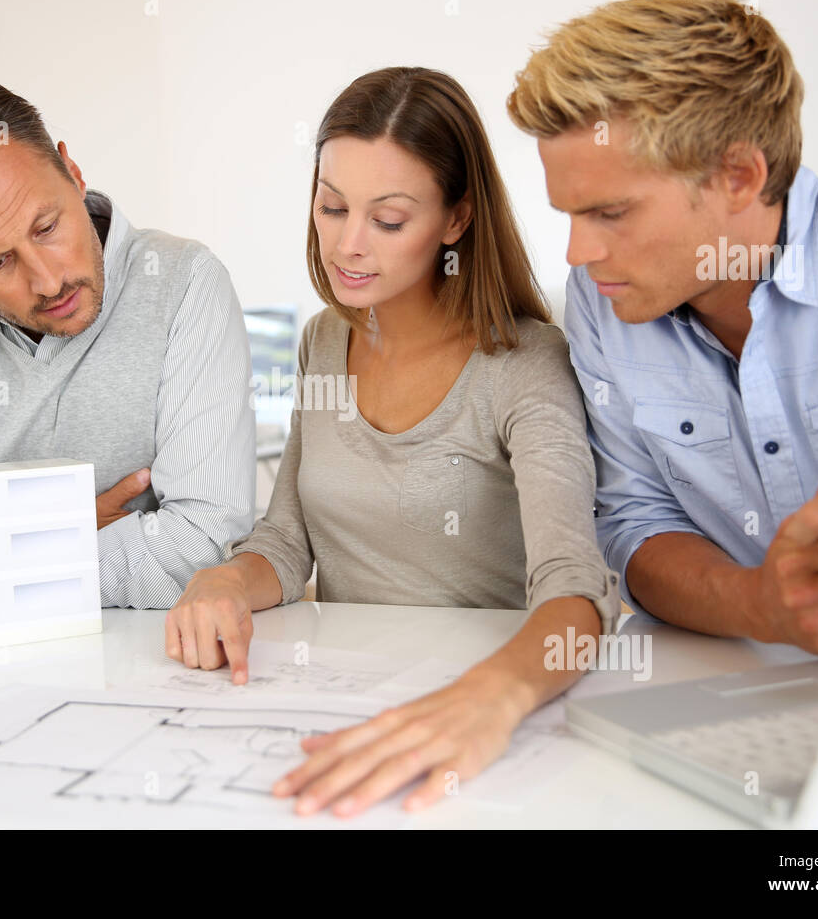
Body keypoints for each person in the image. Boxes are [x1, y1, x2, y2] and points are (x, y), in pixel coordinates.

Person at [165, 67, 622, 817]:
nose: (348, 245)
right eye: (332, 206)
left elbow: (577, 592)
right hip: (339, 695)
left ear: (455, 219)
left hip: (478, 703)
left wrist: (486, 700)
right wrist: (223, 581)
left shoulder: (524, 365)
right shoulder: (321, 341)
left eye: (388, 220)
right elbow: (285, 542)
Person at [506, 0, 818, 655]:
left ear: (738, 176)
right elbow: (634, 522)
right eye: (568, 214)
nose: (579, 252)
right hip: (762, 692)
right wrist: (756, 605)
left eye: (611, 213)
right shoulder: (601, 304)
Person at [0, 80, 256, 609]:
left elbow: (203, 543)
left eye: (47, 228)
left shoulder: (186, 281)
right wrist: (61, 527)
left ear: (72, 174)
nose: (49, 282)